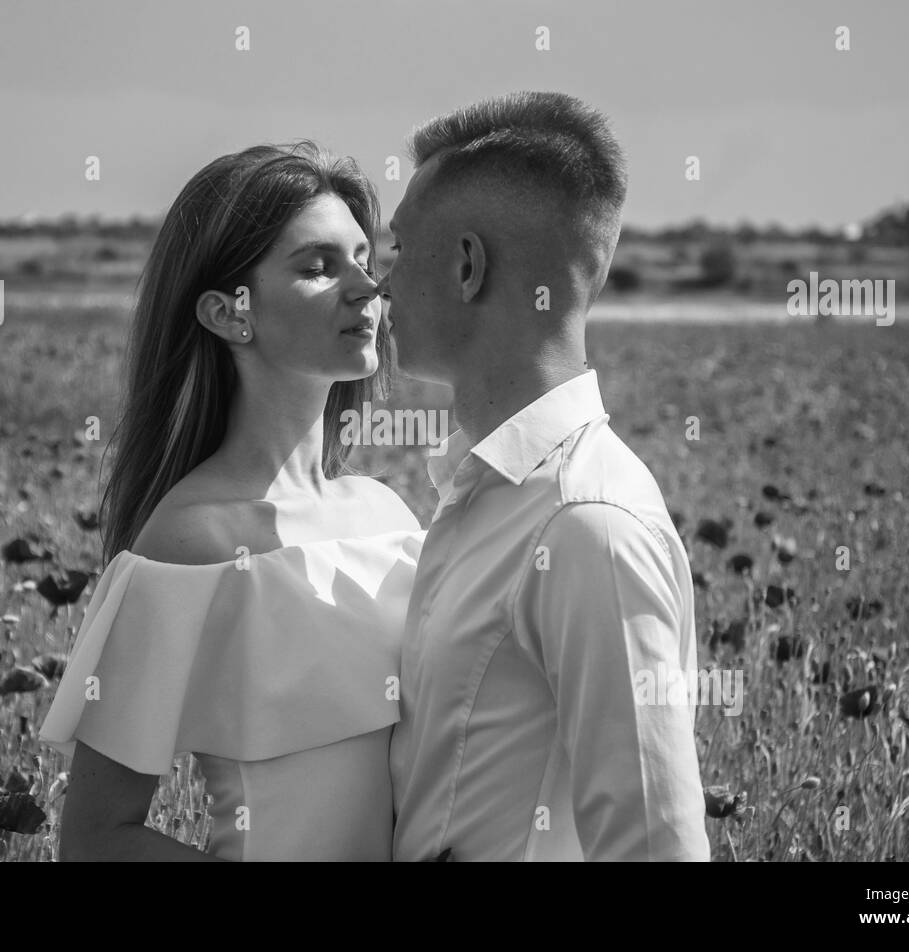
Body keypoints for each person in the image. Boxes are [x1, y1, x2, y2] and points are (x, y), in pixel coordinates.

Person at [39, 141, 424, 861]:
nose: (366, 288)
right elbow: (96, 838)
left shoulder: (390, 516)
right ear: (228, 313)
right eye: (317, 267)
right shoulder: (190, 541)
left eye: (365, 259)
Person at [378, 91, 711, 861]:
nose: (381, 284)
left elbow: (654, 847)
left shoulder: (586, 526)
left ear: (467, 265)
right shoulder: (485, 492)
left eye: (398, 250)